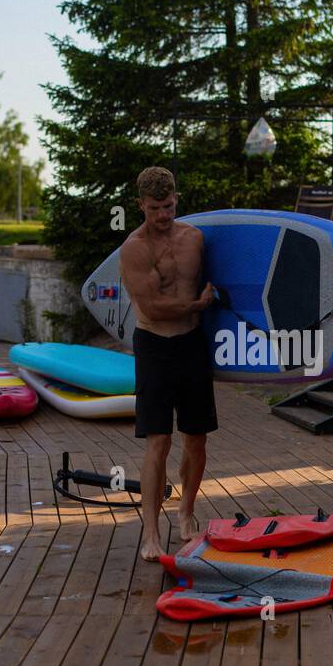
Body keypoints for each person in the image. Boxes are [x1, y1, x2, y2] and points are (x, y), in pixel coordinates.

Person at [119, 167, 217, 561]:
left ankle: (187, 512)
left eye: (169, 205)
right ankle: (150, 534)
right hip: (155, 346)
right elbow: (153, 308)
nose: (163, 214)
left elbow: (221, 283)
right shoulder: (135, 248)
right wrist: (196, 305)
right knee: (158, 440)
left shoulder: (194, 239)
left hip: (192, 344)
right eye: (155, 208)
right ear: (141, 204)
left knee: (197, 437)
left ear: (177, 197)